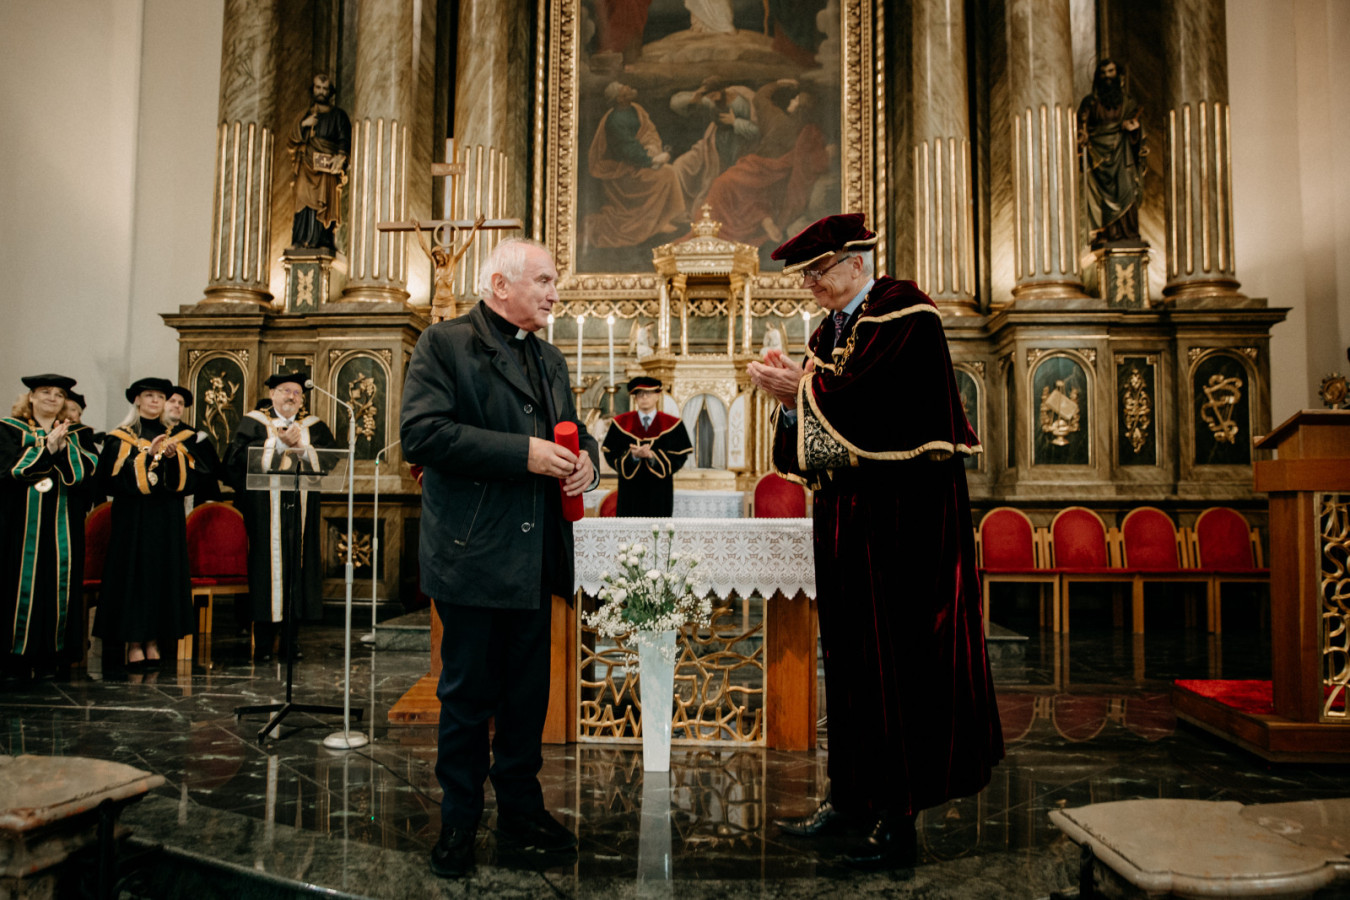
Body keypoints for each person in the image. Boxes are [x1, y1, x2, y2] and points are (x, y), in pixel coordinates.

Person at [747, 214, 1002, 869]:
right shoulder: (831, 332)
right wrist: (788, 401)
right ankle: (852, 800)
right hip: (847, 520)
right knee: (854, 663)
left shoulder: (904, 315)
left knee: (899, 665)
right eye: (806, 274)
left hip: (904, 524)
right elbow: (813, 436)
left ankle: (898, 820)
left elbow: (874, 406)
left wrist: (799, 390)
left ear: (857, 261)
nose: (811, 285)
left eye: (819, 270)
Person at [401, 237, 599, 878]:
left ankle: (520, 807)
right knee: (466, 698)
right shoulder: (445, 343)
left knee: (525, 699)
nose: (553, 292)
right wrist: (526, 454)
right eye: (542, 280)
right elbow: (423, 434)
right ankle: (459, 819)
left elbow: (573, 430)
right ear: (499, 284)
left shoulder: (549, 356)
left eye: (554, 281)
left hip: (536, 553)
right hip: (475, 550)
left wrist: (585, 464)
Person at [224, 373, 334, 663]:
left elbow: (332, 458)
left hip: (301, 509)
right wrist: (280, 445)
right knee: (265, 570)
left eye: (297, 393)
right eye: (286, 391)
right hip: (264, 511)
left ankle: (290, 640)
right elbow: (235, 458)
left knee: (297, 569)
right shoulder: (254, 422)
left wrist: (302, 449)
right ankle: (262, 642)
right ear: (272, 394)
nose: (292, 397)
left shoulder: (313, 426)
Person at [92, 377, 198, 671]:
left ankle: (154, 640)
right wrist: (147, 456)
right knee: (135, 577)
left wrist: (171, 458)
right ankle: (134, 642)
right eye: (148, 395)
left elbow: (189, 481)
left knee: (161, 575)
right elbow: (110, 480)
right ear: (137, 400)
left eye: (160, 396)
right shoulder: (121, 436)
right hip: (134, 519)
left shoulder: (177, 436)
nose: (155, 401)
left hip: (166, 518)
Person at [0, 374, 97, 680]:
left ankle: (51, 656)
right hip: (18, 525)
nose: (52, 398)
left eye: (58, 394)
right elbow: (10, 470)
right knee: (18, 585)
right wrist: (46, 449)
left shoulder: (77, 434)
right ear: (30, 397)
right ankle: (14, 657)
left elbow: (87, 472)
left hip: (62, 523)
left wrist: (61, 446)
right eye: (45, 392)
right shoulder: (8, 430)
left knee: (57, 585)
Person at [585, 81, 686, 249]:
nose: (630, 89)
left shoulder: (635, 109)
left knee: (669, 171)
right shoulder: (615, 121)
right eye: (625, 90)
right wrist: (653, 160)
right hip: (622, 171)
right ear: (619, 98)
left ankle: (663, 218)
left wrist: (652, 149)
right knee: (666, 173)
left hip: (639, 162)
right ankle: (656, 222)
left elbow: (647, 132)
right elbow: (628, 150)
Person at [1077, 59, 1146, 247]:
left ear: (1118, 75)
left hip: (1123, 156)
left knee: (1127, 192)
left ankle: (1128, 234)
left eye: (1111, 72)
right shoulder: (1089, 103)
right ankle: (1105, 233)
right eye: (1103, 73)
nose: (1107, 76)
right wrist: (1082, 137)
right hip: (1098, 159)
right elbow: (1081, 129)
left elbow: (1139, 134)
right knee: (1101, 200)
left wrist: (1134, 130)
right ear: (1098, 77)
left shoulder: (1128, 102)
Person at [602, 376, 693, 516]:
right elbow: (611, 453)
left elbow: (679, 457)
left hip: (660, 492)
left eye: (648, 393)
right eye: (639, 394)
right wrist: (633, 456)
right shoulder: (620, 423)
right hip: (630, 492)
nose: (644, 397)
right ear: (635, 398)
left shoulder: (673, 424)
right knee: (630, 532)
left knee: (657, 532)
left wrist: (653, 457)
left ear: (657, 395)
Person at [288, 73, 352, 251]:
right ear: (313, 90)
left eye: (325, 89)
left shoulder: (339, 116)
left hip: (326, 168)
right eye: (318, 88)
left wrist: (340, 157)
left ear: (330, 92)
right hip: (306, 166)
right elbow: (291, 141)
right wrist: (304, 125)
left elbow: (344, 140)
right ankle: (300, 239)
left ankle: (324, 240)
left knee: (325, 203)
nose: (321, 92)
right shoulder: (305, 115)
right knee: (302, 202)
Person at [165, 385, 224, 504]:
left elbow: (210, 471)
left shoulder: (195, 437)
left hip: (191, 499)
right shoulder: (152, 434)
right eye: (172, 401)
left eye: (181, 403)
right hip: (162, 498)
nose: (177, 405)